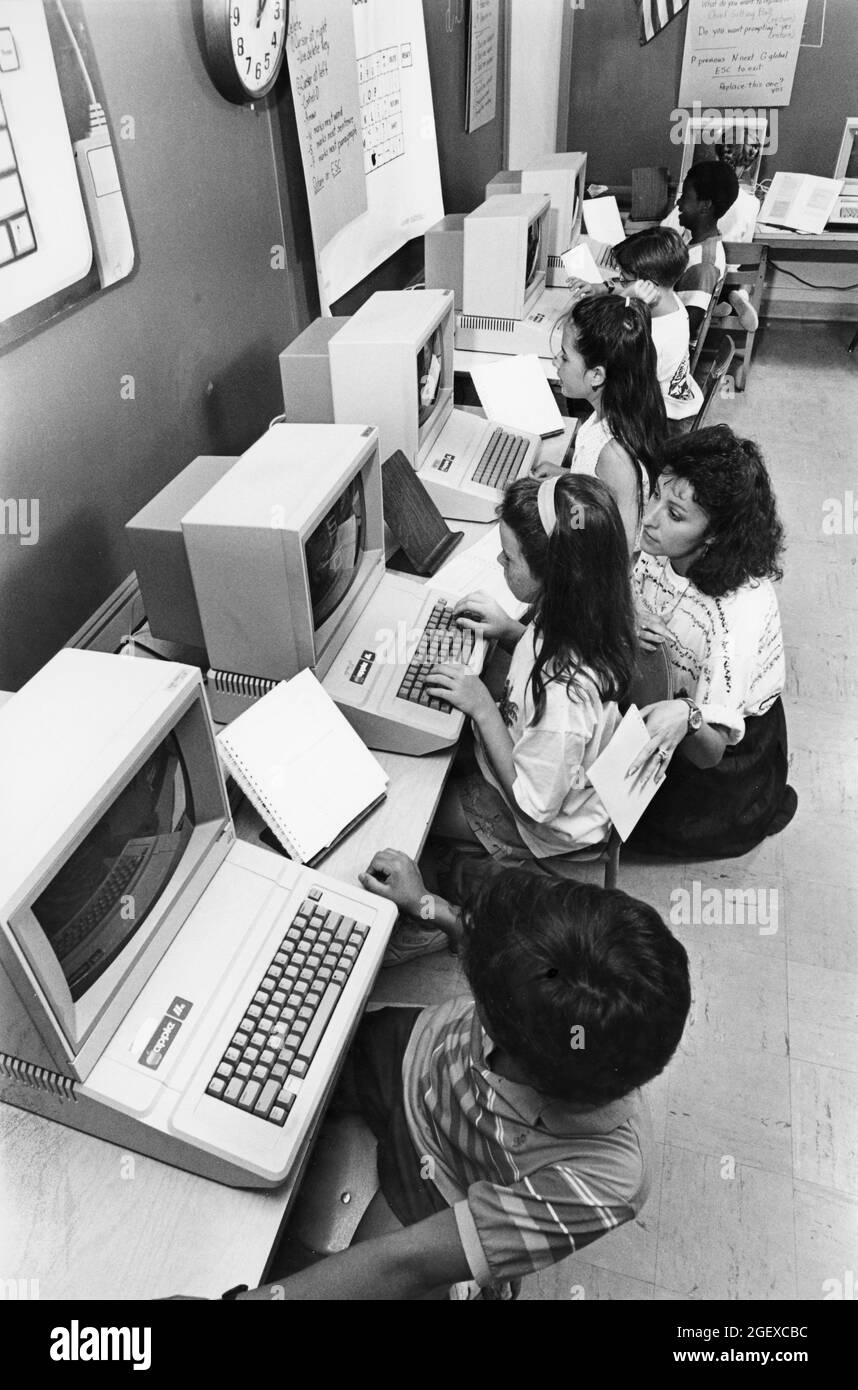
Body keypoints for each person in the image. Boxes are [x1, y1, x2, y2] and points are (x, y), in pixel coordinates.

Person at [190, 859, 691, 1300]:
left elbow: (404, 1264)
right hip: (411, 1048)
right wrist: (424, 903)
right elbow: (500, 955)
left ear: (512, 1049)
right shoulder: (568, 1019)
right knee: (255, 1055)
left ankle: (482, 1276)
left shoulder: (608, 1180)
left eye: (487, 1010)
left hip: (446, 1176)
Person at [426, 472, 636, 876]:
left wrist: (484, 710)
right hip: (545, 765)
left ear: (554, 576)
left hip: (541, 824)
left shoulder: (563, 697)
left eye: (510, 557)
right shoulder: (584, 610)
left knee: (417, 810)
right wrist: (511, 631)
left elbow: (533, 806)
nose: (499, 561)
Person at [627, 425, 797, 858]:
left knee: (601, 819)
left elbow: (711, 752)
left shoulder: (737, 613)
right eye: (656, 496)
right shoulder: (660, 544)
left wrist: (687, 714)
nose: (650, 518)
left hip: (719, 758)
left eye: (676, 513)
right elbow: (635, 588)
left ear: (716, 535)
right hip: (659, 694)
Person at [535, 296, 667, 552]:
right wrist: (566, 479)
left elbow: (621, 547)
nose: (555, 363)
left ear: (597, 375)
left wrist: (559, 516)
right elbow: (601, 494)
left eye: (564, 357)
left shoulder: (614, 456)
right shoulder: (615, 411)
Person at [663, 156, 759, 333]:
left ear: (705, 205)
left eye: (685, 197)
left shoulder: (702, 266)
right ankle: (733, 296)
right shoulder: (700, 247)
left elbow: (685, 331)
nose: (678, 202)